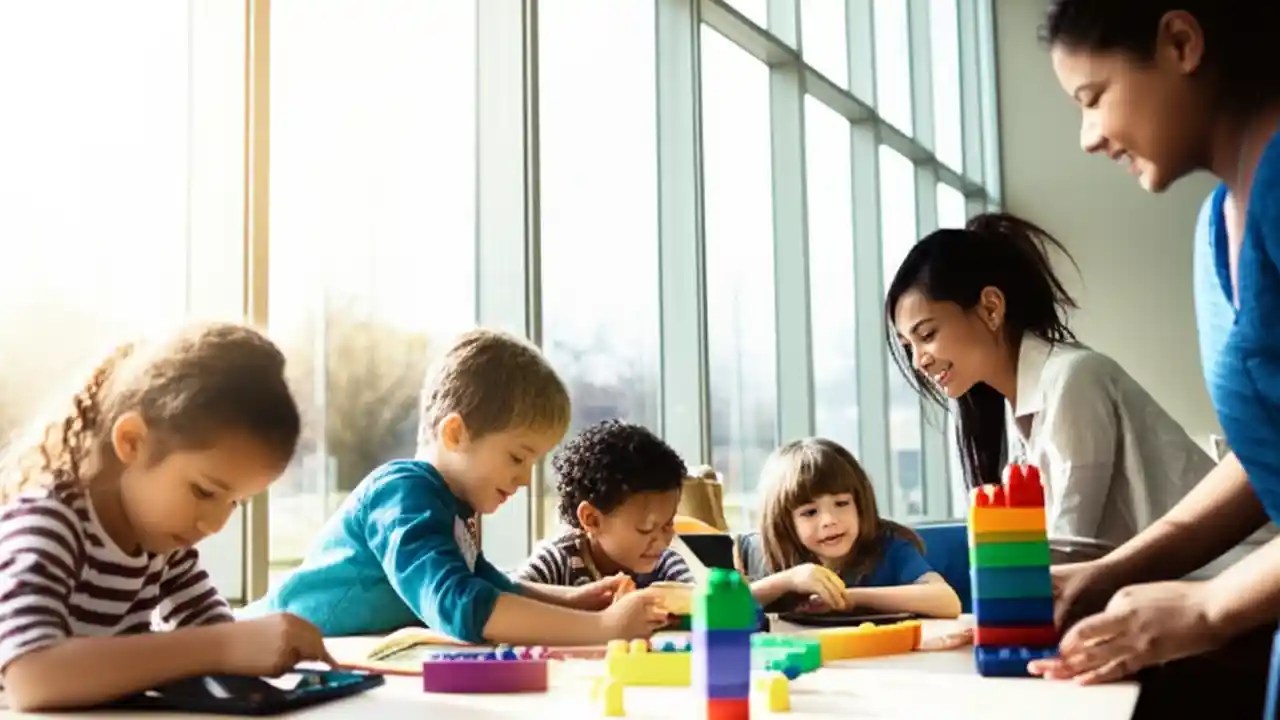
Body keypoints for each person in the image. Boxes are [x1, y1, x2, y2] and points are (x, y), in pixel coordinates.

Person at [1025, 1, 1280, 714]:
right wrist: (1108, 573)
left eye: (1093, 96)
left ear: (1180, 41)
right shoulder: (1217, 222)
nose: (1088, 137)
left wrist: (1212, 606)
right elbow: (1269, 455)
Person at [247, 329, 668, 645]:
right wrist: (601, 627)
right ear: (455, 434)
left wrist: (577, 601)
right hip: (263, 648)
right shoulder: (402, 493)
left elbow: (494, 586)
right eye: (517, 457)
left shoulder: (448, 508)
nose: (525, 479)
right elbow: (460, 604)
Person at [0, 323, 333, 712]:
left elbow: (216, 640)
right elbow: (31, 677)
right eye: (204, 492)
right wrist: (224, 646)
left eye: (235, 503)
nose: (214, 525)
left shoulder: (161, 546)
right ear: (132, 442)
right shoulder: (48, 523)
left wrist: (262, 649)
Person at [886, 212, 1213, 561]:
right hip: (1171, 582)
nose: (918, 361)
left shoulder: (1074, 379)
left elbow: (1065, 551)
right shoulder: (1015, 411)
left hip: (1224, 576)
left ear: (991, 308)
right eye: (909, 346)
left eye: (927, 335)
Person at [737, 438, 961, 618]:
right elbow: (720, 613)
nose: (829, 520)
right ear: (784, 522)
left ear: (860, 504)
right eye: (810, 512)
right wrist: (789, 580)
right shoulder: (758, 552)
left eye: (842, 503)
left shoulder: (887, 545)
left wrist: (850, 598)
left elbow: (947, 601)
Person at [516, 419, 694, 593]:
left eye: (668, 524)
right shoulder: (555, 562)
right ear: (592, 520)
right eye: (645, 529)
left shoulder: (666, 565)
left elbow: (696, 600)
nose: (662, 541)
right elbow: (509, 599)